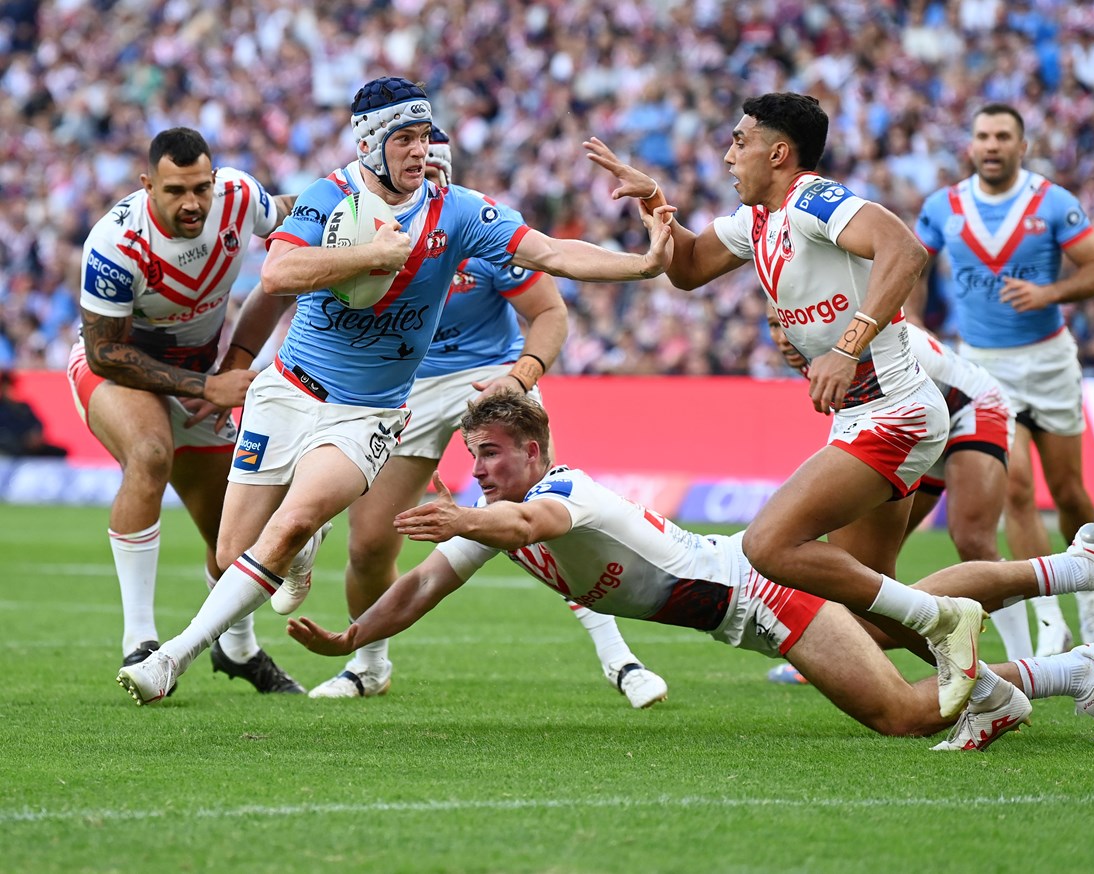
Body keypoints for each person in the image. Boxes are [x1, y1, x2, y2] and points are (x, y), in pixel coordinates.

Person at [116, 76, 674, 706]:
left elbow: (554, 257)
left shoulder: (460, 212)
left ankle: (170, 658)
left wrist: (641, 266)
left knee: (306, 515)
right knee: (236, 552)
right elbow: (276, 271)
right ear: (370, 145)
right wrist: (367, 256)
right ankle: (323, 597)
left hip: (378, 408)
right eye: (404, 139)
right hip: (290, 392)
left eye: (425, 137)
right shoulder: (327, 197)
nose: (420, 151)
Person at [286, 393, 1094, 750]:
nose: (477, 468)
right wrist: (355, 636)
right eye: (471, 457)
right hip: (739, 608)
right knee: (898, 621)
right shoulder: (501, 519)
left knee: (903, 711)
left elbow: (532, 518)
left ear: (531, 450)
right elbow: (424, 583)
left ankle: (1066, 649)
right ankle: (1063, 614)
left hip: (762, 592)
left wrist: (466, 512)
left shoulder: (565, 492)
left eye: (487, 454)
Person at [585, 93, 984, 720]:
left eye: (739, 141)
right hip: (865, 417)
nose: (727, 154)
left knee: (769, 546)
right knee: (865, 604)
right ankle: (1051, 676)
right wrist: (653, 202)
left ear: (778, 152)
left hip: (895, 411)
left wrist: (848, 346)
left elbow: (905, 250)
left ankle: (947, 620)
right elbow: (687, 269)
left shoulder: (811, 199)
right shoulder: (757, 221)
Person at [312, 125, 667, 705]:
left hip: (493, 375)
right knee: (370, 543)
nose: (426, 181)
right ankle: (369, 664)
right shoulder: (363, 235)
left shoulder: (478, 227)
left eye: (435, 172)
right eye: (414, 171)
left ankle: (619, 660)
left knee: (538, 521)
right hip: (409, 384)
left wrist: (520, 377)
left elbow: (550, 313)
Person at [72, 127, 304, 694]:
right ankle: (141, 641)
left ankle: (237, 648)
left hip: (203, 377)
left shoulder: (240, 198)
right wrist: (208, 384)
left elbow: (295, 216)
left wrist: (351, 202)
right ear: (148, 185)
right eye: (176, 191)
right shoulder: (115, 243)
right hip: (120, 371)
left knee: (237, 533)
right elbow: (106, 352)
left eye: (202, 186)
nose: (193, 203)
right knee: (150, 455)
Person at [913, 103, 1094, 655]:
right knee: (1018, 489)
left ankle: (1092, 593)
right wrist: (911, 320)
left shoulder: (1052, 203)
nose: (992, 145)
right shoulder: (945, 206)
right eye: (983, 136)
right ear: (971, 145)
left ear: (1022, 145)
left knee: (1071, 494)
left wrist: (1048, 293)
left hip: (1048, 360)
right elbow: (913, 262)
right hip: (983, 366)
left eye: (1003, 136)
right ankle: (1052, 622)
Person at [761, 311, 1034, 679]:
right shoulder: (817, 344)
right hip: (914, 422)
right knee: (862, 567)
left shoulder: (857, 339)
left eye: (785, 323)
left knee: (972, 538)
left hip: (972, 408)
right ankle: (854, 657)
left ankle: (1025, 659)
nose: (780, 336)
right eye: (773, 325)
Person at [0, 370, 67, 457]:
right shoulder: (2, 408)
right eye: (7, 387)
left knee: (59, 452)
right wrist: (23, 439)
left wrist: (35, 436)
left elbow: (38, 423)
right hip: (14, 446)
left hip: (33, 445)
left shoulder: (24, 406)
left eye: (12, 386)